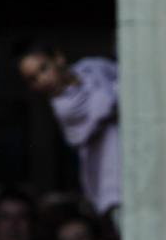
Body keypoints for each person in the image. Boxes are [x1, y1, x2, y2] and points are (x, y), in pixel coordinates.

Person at [14, 40, 120, 218]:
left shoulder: (90, 67)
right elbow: (107, 104)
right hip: (111, 185)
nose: (42, 80)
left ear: (58, 58)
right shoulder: (65, 108)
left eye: (43, 68)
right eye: (33, 79)